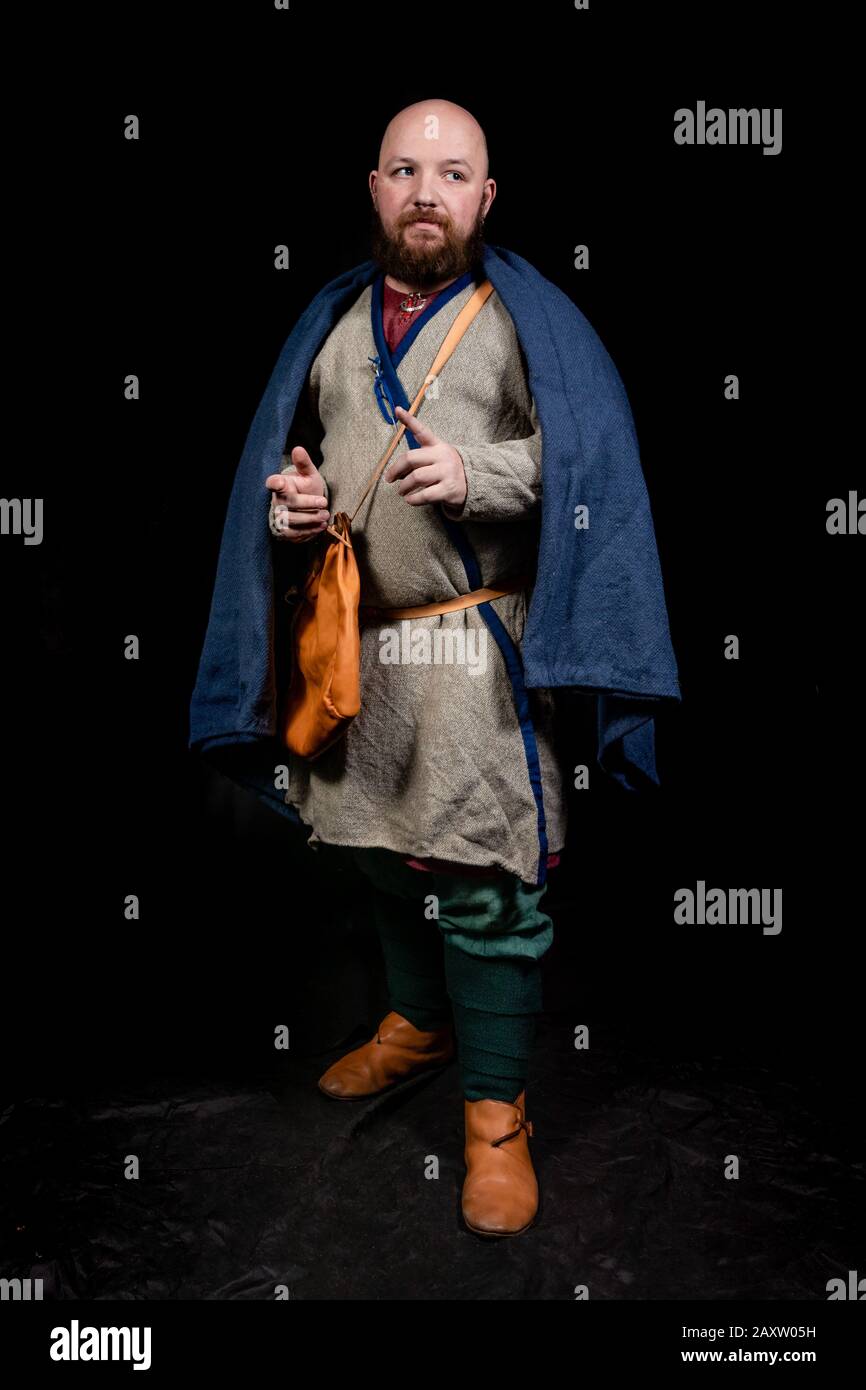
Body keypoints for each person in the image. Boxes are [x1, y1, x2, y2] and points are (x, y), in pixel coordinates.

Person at [189, 97, 680, 1238]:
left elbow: (586, 460)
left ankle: (493, 1121)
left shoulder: (524, 325)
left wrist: (482, 478)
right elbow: (308, 463)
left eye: (451, 173)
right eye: (405, 170)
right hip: (359, 652)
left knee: (487, 885)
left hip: (471, 654)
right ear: (374, 188)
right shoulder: (334, 321)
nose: (426, 192)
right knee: (368, 853)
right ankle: (417, 1022)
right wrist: (298, 507)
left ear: (484, 198)